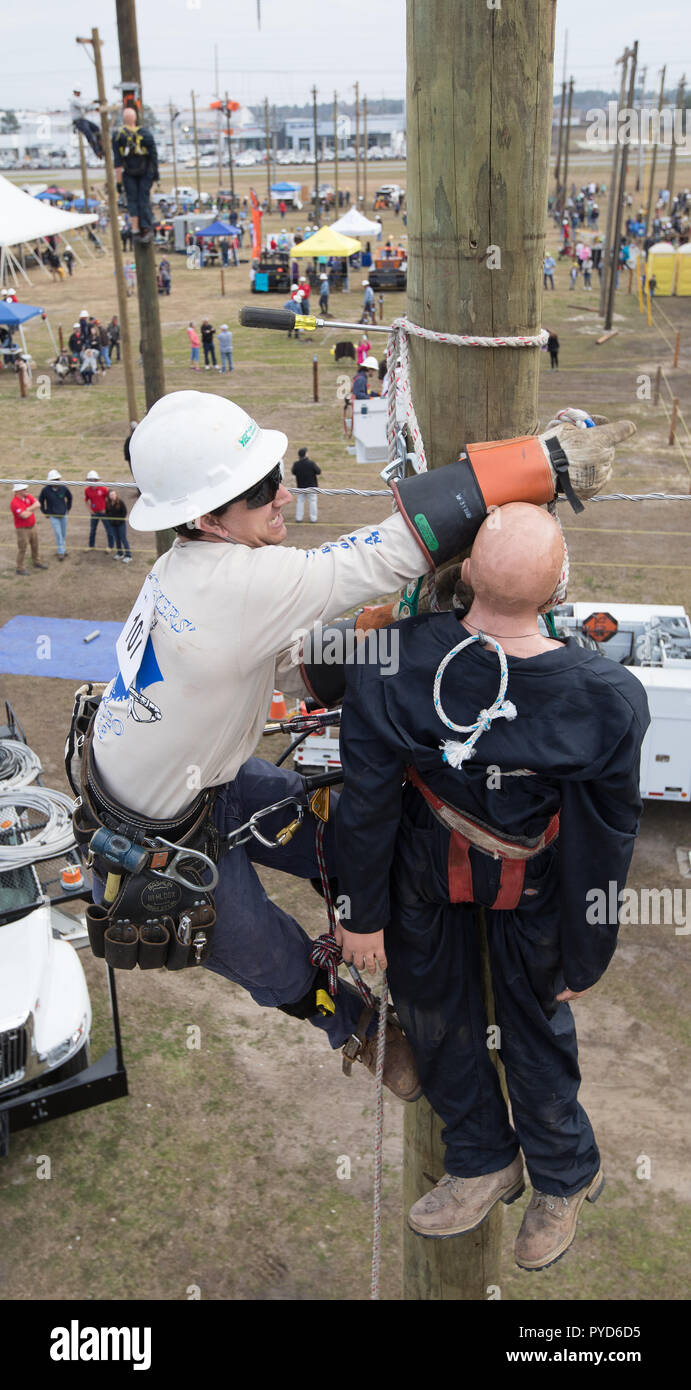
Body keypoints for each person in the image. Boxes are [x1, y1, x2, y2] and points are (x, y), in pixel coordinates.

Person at [77, 395, 624, 1112]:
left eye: (273, 472)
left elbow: (295, 661)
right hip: (152, 844)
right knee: (272, 957)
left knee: (345, 853)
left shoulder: (194, 568)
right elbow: (391, 549)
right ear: (206, 518)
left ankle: (394, 940)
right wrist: (539, 464)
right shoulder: (244, 583)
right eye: (254, 491)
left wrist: (394, 639)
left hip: (201, 781)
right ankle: (354, 1024)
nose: (280, 493)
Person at [333, 485, 646, 1270]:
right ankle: (484, 1160)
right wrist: (588, 947)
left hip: (477, 880)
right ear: (560, 587)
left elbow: (364, 803)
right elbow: (607, 838)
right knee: (488, 1020)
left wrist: (358, 915)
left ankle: (561, 1172)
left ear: (464, 568)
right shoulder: (606, 696)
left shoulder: (391, 661)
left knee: (475, 1020)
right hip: (460, 876)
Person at [112, 106, 159, 244]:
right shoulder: (145, 134)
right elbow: (154, 155)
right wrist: (155, 175)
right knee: (143, 198)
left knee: (132, 200)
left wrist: (119, 183)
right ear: (135, 119)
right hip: (145, 171)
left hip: (129, 172)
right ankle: (145, 226)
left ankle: (135, 228)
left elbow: (117, 162)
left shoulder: (118, 136)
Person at [10, 482, 47, 574]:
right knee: (22, 548)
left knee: (35, 545)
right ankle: (20, 568)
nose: (26, 490)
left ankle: (36, 561)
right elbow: (24, 515)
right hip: (22, 529)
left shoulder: (27, 496)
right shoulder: (14, 503)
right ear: (18, 491)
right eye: (24, 489)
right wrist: (32, 509)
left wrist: (28, 509)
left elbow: (38, 504)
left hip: (32, 526)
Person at [39, 469, 72, 560]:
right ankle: (61, 552)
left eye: (57, 479)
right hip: (53, 516)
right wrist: (45, 512)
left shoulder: (63, 488)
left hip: (63, 514)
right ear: (50, 481)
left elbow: (70, 497)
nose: (56, 482)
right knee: (58, 534)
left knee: (63, 533)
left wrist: (68, 508)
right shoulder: (45, 490)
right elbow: (41, 501)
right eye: (54, 480)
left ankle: (63, 550)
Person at [84, 470, 114, 551]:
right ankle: (91, 546)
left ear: (96, 480)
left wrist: (107, 509)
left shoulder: (103, 488)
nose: (91, 481)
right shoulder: (87, 490)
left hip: (104, 513)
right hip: (94, 513)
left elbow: (111, 497)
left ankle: (110, 546)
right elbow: (86, 500)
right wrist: (90, 510)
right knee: (92, 530)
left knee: (108, 529)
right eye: (90, 480)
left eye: (93, 479)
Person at [69, 89, 103, 159]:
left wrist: (94, 107)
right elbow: (83, 105)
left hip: (83, 120)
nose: (79, 94)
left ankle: (100, 145)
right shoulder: (74, 100)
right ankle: (97, 151)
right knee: (89, 134)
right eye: (77, 93)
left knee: (96, 128)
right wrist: (93, 102)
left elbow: (86, 108)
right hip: (78, 121)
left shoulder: (79, 100)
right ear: (75, 92)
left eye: (79, 93)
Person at [291, 446, 321, 523]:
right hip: (312, 486)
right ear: (305, 454)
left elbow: (293, 472)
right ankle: (313, 519)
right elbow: (318, 471)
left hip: (301, 486)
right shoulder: (311, 463)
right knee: (313, 502)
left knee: (300, 502)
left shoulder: (296, 464)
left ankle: (299, 518)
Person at [105, 489, 132, 562]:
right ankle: (120, 553)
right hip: (113, 525)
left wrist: (118, 521)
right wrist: (111, 521)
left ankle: (128, 555)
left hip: (121, 524)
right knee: (117, 539)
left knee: (123, 538)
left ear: (116, 495)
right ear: (109, 496)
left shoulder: (120, 502)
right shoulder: (108, 503)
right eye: (111, 495)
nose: (113, 496)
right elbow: (107, 513)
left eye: (114, 494)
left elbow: (124, 513)